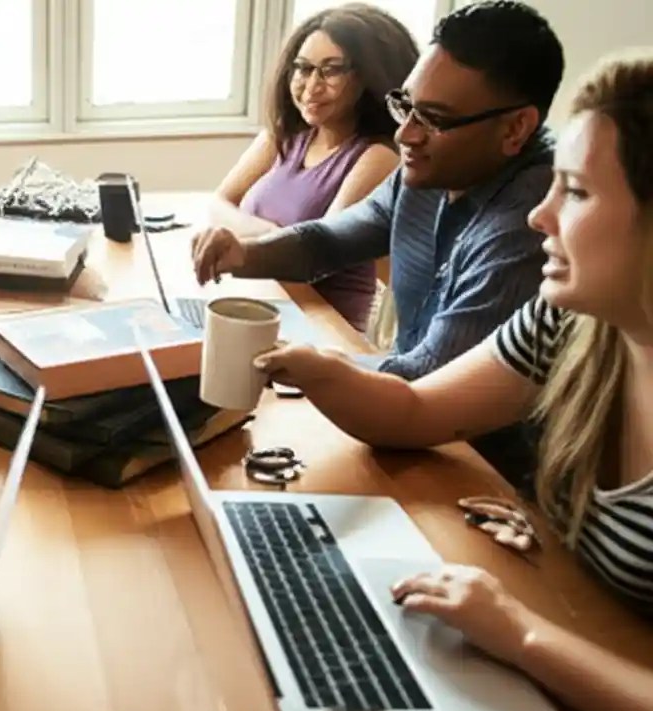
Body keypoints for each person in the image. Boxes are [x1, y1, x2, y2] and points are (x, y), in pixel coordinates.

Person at [256, 49, 653, 711]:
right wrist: (311, 367)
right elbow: (414, 411)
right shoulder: (570, 323)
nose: (540, 216)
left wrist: (523, 634)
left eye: (578, 193)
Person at [192, 0, 564, 484]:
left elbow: (428, 380)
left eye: (433, 118)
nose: (405, 133)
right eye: (404, 105)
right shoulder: (429, 170)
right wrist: (243, 253)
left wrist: (316, 370)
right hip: (405, 429)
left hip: (483, 474)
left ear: (515, 128)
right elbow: (329, 240)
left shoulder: (529, 226)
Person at [206, 3, 418, 332]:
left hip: (319, 325)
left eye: (331, 70)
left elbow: (318, 252)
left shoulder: (377, 158)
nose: (311, 86)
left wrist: (255, 244)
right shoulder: (283, 138)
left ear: (369, 77)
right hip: (263, 301)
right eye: (303, 68)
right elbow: (218, 204)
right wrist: (273, 241)